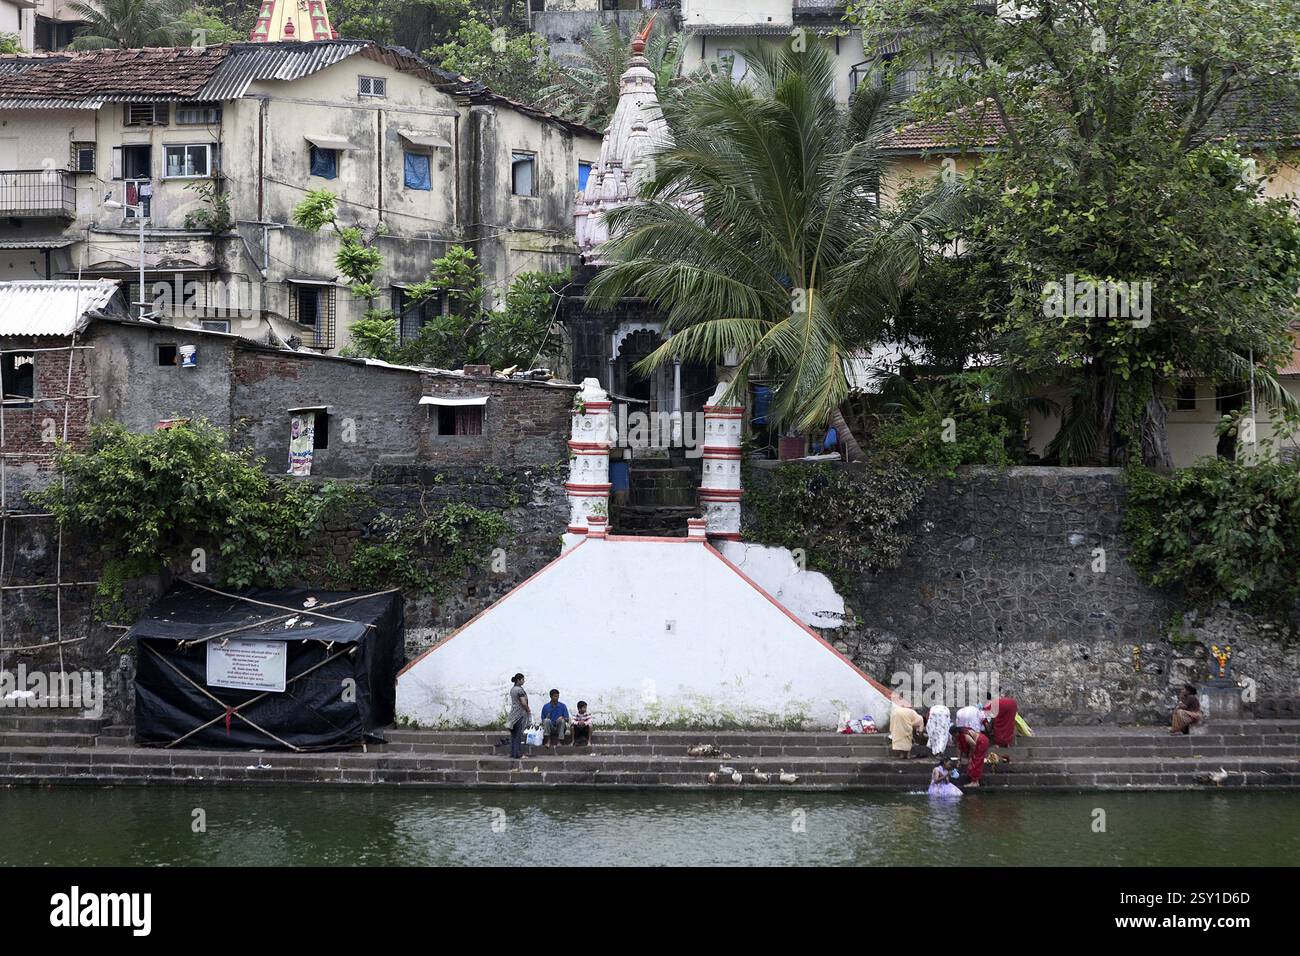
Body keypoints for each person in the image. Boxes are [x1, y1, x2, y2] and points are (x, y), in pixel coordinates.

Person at [953, 723, 990, 788]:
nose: (954, 736)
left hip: (981, 741)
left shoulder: (965, 735)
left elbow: (973, 744)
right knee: (974, 760)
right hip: (978, 742)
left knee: (976, 760)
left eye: (954, 734)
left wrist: (970, 755)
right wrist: (959, 760)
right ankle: (974, 780)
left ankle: (975, 782)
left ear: (957, 732)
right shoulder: (959, 736)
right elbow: (959, 748)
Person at [506, 673, 530, 759]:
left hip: (513, 714)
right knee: (518, 735)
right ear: (518, 680)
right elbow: (523, 702)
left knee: (513, 735)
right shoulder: (519, 690)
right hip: (519, 714)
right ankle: (517, 754)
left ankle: (513, 753)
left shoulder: (512, 689)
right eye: (522, 679)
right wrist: (528, 710)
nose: (524, 681)